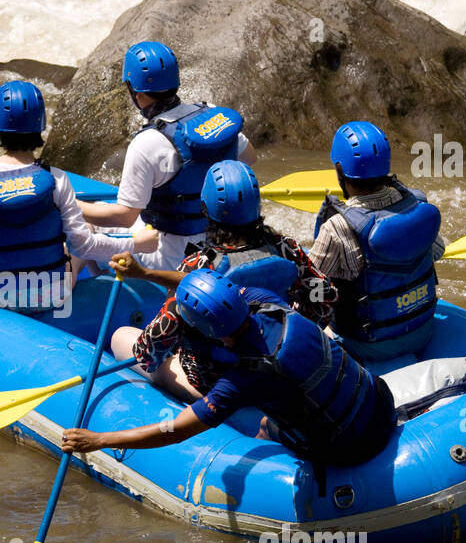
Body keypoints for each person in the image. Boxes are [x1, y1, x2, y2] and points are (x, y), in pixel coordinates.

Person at [61, 269, 396, 467]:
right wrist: (143, 272)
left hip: (350, 446)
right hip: (380, 404)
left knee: (264, 425)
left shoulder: (241, 380)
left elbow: (176, 429)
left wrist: (102, 439)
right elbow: (209, 286)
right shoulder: (267, 302)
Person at [108, 159, 337, 403]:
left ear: (205, 210)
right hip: (278, 363)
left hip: (217, 382)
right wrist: (294, 324)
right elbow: (325, 298)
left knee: (120, 337)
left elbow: (151, 350)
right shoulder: (287, 248)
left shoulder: (198, 267)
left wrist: (166, 350)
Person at [0, 80, 134, 313]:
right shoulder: (56, 178)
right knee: (86, 229)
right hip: (48, 297)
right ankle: (102, 280)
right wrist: (136, 244)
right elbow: (83, 246)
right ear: (40, 125)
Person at [78, 40, 257, 271]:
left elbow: (124, 217)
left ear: (137, 94)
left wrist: (70, 203)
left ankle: (85, 291)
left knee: (81, 218)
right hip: (218, 245)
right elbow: (249, 158)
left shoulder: (146, 143)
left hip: (170, 258)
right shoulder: (211, 114)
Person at [308, 120, 444, 362]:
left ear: (340, 172)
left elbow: (311, 290)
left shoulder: (337, 227)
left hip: (366, 345)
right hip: (422, 331)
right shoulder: (418, 207)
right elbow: (438, 251)